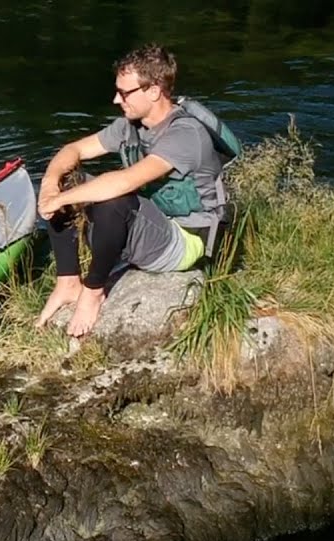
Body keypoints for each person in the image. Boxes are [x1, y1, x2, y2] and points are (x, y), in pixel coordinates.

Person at [35, 44, 228, 337]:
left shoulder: (186, 134)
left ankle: (93, 292)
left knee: (113, 200)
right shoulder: (130, 126)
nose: (116, 99)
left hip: (187, 240)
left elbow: (124, 182)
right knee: (69, 178)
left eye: (124, 93)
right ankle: (68, 283)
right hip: (152, 223)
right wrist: (51, 185)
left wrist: (59, 200)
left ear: (154, 91)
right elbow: (73, 150)